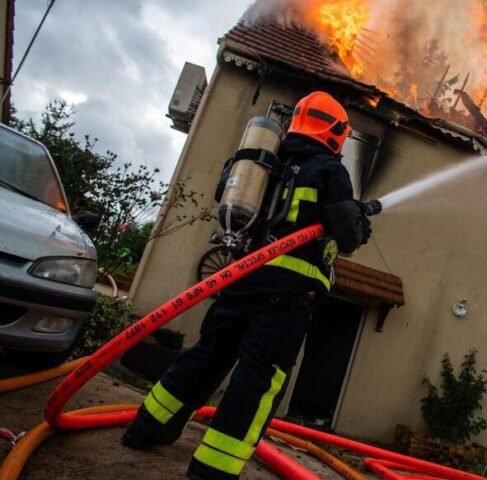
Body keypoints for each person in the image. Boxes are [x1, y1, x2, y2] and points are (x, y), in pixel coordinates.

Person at [121, 91, 371, 480]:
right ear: (337, 133)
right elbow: (348, 237)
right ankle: (212, 470)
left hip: (239, 281)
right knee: (257, 379)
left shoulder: (261, 158)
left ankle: (145, 430)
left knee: (205, 356)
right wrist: (358, 220)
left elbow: (227, 194)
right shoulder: (329, 169)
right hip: (289, 295)